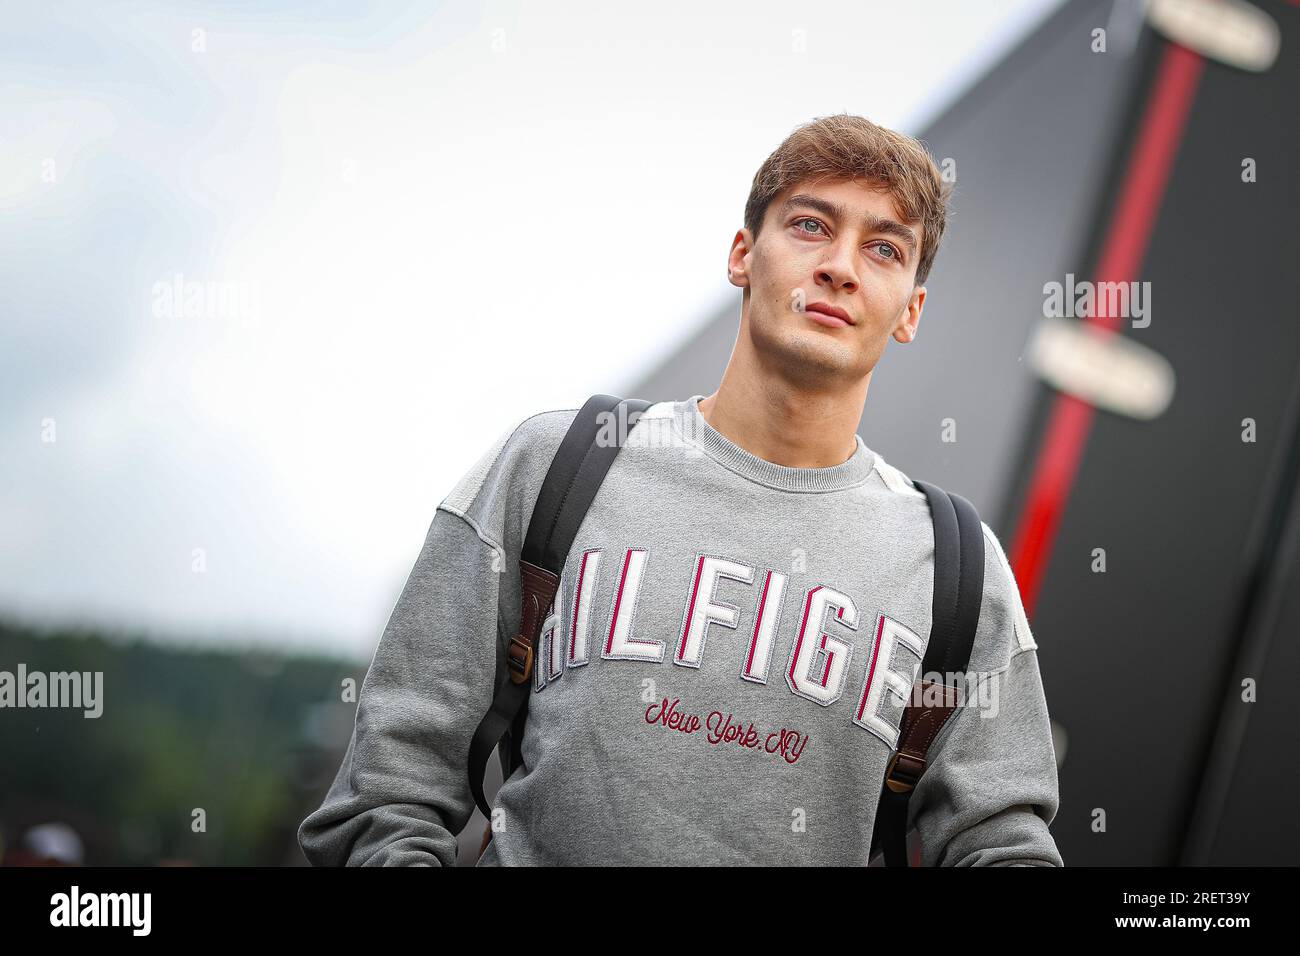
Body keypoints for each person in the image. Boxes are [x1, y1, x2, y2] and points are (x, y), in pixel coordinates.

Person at [298, 113, 1063, 866]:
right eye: (809, 226)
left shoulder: (958, 569)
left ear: (911, 312)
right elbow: (390, 784)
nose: (840, 266)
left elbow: (1002, 843)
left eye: (885, 248)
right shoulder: (556, 466)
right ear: (741, 254)